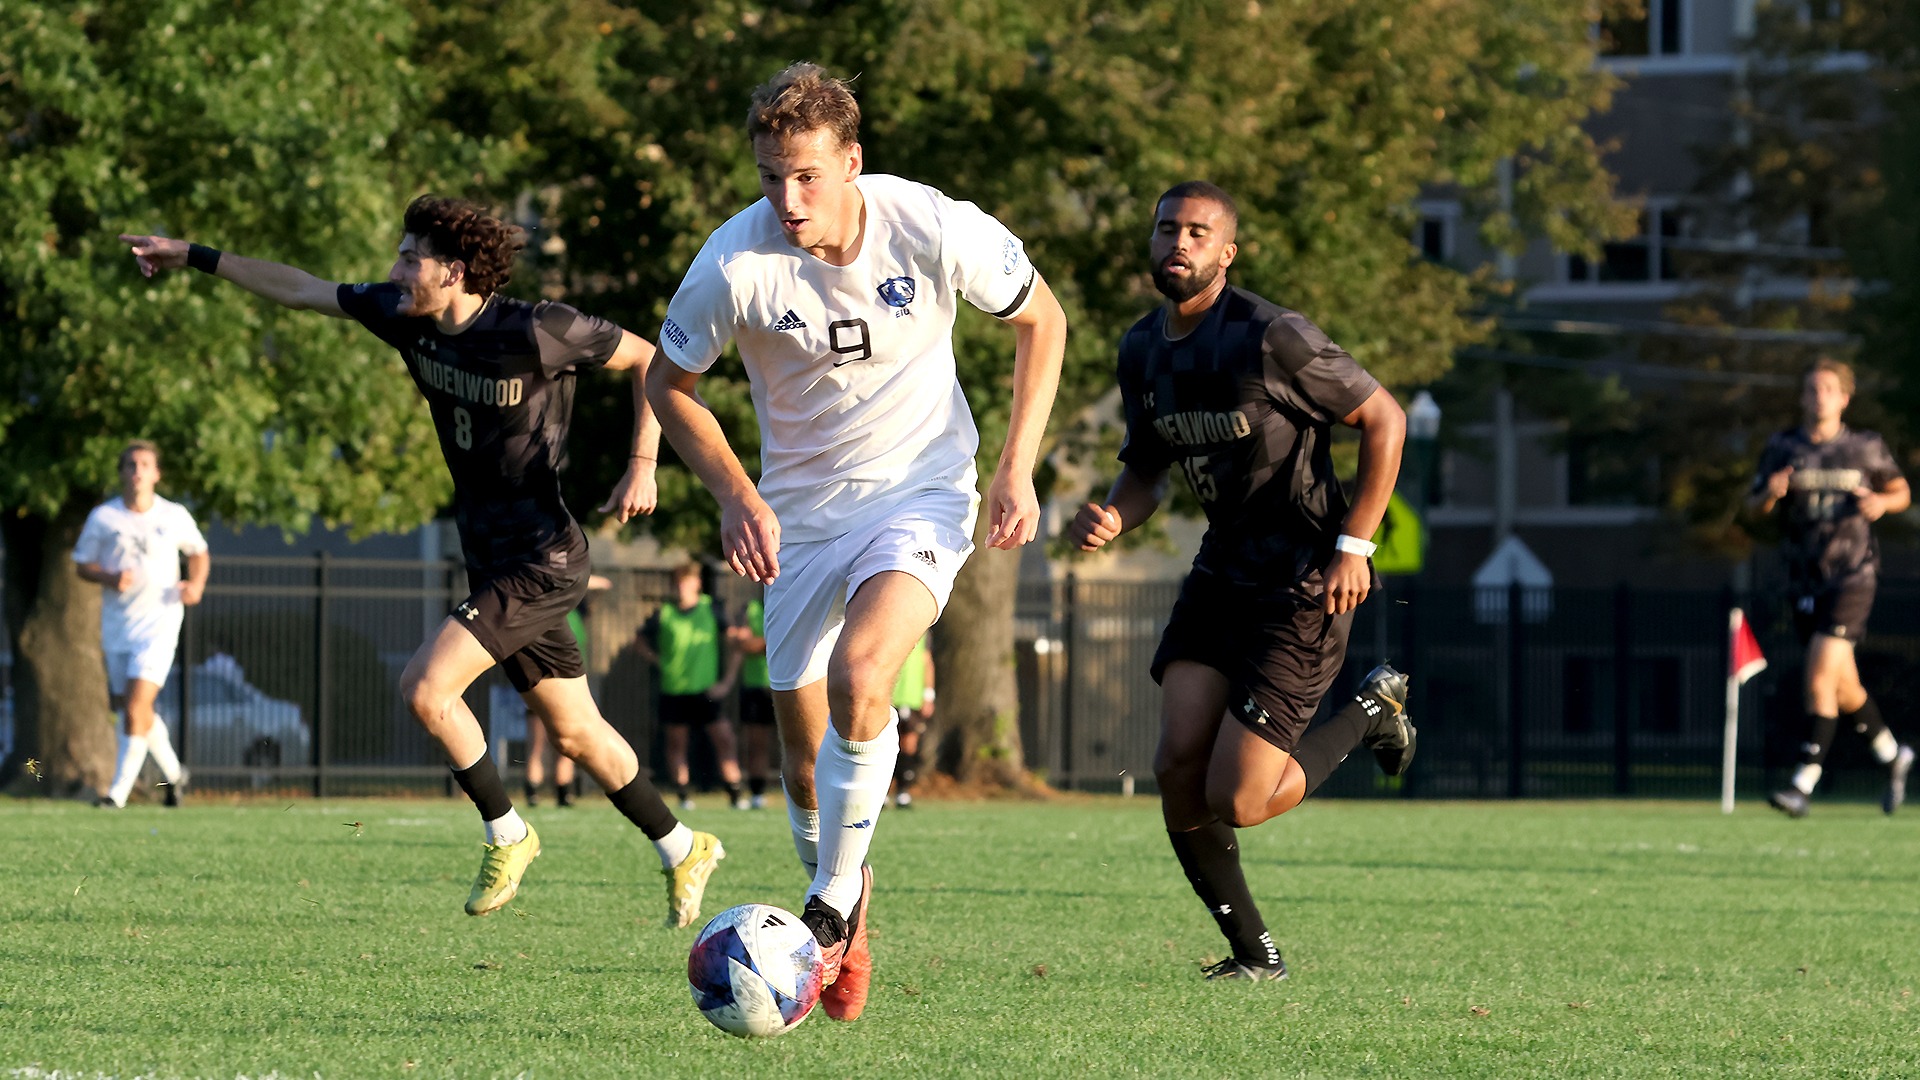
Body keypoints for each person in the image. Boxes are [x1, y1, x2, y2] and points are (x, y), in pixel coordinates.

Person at [121, 198, 725, 926]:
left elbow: (653, 360)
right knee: (574, 733)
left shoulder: (538, 328)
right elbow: (301, 288)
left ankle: (508, 832)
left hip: (543, 558)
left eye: (411, 258)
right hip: (490, 560)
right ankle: (684, 845)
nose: (396, 270)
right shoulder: (405, 316)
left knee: (425, 689)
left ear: (455, 272)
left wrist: (643, 464)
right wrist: (193, 254)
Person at [648, 62, 1068, 1021]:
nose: (788, 200)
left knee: (865, 674)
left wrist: (1017, 467)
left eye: (805, 175)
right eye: (770, 178)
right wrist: (735, 496)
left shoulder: (931, 224)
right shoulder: (733, 263)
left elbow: (1043, 321)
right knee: (804, 771)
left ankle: (830, 904)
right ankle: (848, 898)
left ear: (851, 161)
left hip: (921, 493)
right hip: (797, 520)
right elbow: (668, 385)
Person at [1069, 182, 1415, 982]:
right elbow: (1146, 471)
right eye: (1167, 228)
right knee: (1175, 768)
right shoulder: (1141, 348)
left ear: (1227, 253)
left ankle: (1373, 711)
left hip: (1304, 581)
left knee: (1242, 799)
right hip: (1221, 571)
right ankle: (1255, 955)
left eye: (1198, 232)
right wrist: (1116, 516)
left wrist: (1354, 546)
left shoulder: (1271, 335)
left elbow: (1385, 418)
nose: (1179, 242)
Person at [1748, 358, 1914, 817]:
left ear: (1844, 397)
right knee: (1844, 687)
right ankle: (1892, 756)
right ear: (1802, 397)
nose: (1818, 396)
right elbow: (1752, 507)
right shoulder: (1783, 447)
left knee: (1819, 678)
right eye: (1811, 389)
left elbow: (1901, 492)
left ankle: (1802, 783)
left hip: (1853, 574)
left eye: (1827, 389)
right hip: (1805, 578)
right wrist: (1769, 495)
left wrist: (1882, 502)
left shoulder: (1864, 446)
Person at [73, 440, 209, 809]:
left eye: (145, 465)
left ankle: (116, 795)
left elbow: (198, 552)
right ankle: (175, 775)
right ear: (121, 473)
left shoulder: (173, 515)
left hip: (160, 622)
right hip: (118, 625)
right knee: (132, 710)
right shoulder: (104, 517)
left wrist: (195, 584)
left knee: (135, 706)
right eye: (130, 465)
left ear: (156, 474)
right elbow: (82, 563)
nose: (137, 472)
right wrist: (108, 577)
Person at [635, 562, 747, 810]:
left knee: (725, 740)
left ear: (697, 583)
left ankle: (736, 793)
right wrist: (657, 660)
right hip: (674, 690)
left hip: (706, 691)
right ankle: (683, 795)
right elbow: (639, 641)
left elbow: (736, 646)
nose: (681, 588)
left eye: (686, 582)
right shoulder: (664, 613)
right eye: (677, 584)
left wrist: (727, 682)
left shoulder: (712, 609)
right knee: (677, 744)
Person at [525, 575, 608, 808]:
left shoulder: (575, 612)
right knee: (538, 743)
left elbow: (603, 586)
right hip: (542, 684)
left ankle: (563, 792)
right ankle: (533, 792)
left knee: (566, 742)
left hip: (566, 689)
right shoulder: (540, 612)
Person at [727, 595, 779, 809]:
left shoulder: (794, 597)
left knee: (802, 743)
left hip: (790, 684)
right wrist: (771, 641)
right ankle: (757, 794)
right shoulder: (749, 609)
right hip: (756, 687)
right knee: (757, 744)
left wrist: (757, 642)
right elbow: (740, 644)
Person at [890, 634, 935, 808]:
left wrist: (928, 694)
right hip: (890, 696)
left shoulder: (924, 631)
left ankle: (903, 792)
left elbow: (927, 660)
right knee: (886, 743)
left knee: (909, 744)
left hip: (913, 697)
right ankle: (883, 792)